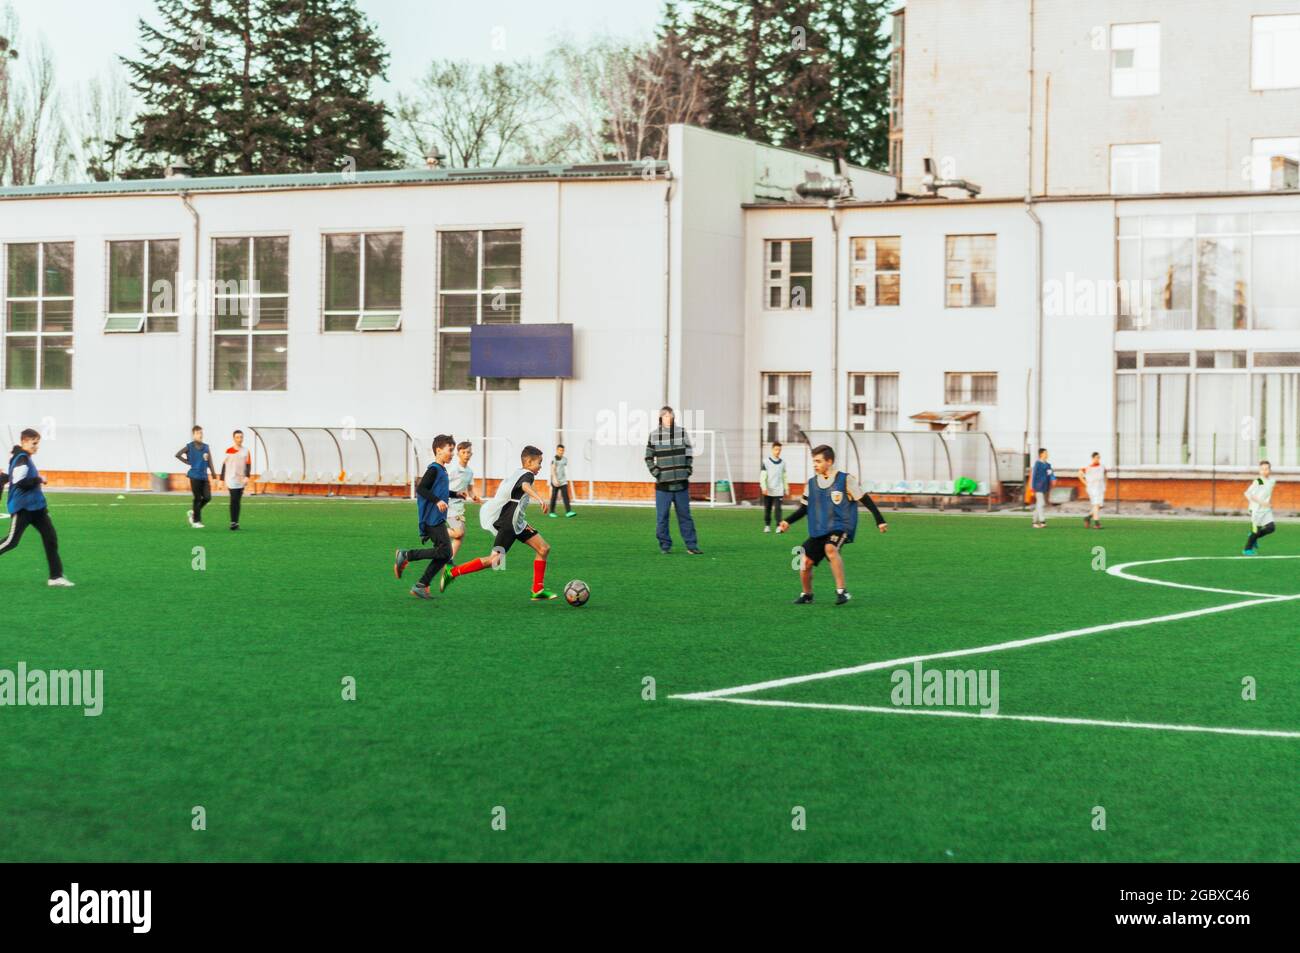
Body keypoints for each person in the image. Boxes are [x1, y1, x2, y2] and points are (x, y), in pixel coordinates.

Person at [440, 445, 557, 600]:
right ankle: (452, 573)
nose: (540, 467)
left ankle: (537, 589)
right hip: (510, 526)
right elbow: (525, 486)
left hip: (518, 524)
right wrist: (539, 498)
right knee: (494, 560)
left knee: (543, 548)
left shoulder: (518, 472)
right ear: (529, 462)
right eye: (539, 463)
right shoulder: (527, 475)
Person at [778, 444, 886, 605]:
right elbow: (804, 509)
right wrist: (787, 521)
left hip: (841, 526)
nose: (815, 464)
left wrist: (880, 520)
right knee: (805, 561)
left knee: (830, 548)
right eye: (813, 461)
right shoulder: (812, 483)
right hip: (819, 529)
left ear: (829, 461)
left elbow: (865, 499)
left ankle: (842, 591)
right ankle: (807, 594)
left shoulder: (845, 479)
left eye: (818, 461)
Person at [0, 428, 74, 587]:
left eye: (37, 443)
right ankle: (55, 576)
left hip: (38, 509)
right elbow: (20, 484)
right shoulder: (22, 459)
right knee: (11, 542)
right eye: (34, 443)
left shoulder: (21, 457)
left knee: (50, 538)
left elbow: (4, 477)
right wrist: (38, 479)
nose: (36, 446)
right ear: (24, 442)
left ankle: (55, 577)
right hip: (23, 509)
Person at [394, 435, 456, 599]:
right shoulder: (434, 469)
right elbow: (421, 489)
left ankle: (421, 585)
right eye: (450, 450)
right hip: (431, 519)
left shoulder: (442, 470)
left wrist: (457, 494)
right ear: (438, 450)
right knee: (445, 552)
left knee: (444, 554)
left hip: (437, 518)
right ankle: (406, 555)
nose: (452, 454)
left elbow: (439, 491)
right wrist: (437, 501)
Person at [645, 406, 701, 554]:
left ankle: (691, 546)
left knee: (685, 516)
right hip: (663, 485)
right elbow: (648, 457)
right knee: (662, 517)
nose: (668, 418)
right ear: (660, 418)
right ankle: (665, 546)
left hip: (682, 484)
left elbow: (689, 453)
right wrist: (657, 473)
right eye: (665, 416)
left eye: (670, 416)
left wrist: (687, 470)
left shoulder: (682, 432)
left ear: (673, 417)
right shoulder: (654, 435)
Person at [175, 425, 220, 528]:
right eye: (199, 433)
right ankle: (196, 522)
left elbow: (210, 461)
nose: (201, 435)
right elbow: (177, 454)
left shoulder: (206, 447)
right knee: (197, 498)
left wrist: (213, 474)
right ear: (194, 434)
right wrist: (188, 462)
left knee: (208, 497)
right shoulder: (189, 446)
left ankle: (194, 512)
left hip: (204, 476)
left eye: (201, 433)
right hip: (194, 476)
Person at [446, 440, 483, 559]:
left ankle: (449, 560)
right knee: (459, 533)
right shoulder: (451, 469)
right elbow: (442, 486)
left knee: (460, 536)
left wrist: (475, 497)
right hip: (448, 506)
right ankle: (433, 532)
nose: (466, 455)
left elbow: (470, 490)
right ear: (458, 453)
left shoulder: (469, 472)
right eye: (464, 452)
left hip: (459, 508)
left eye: (469, 452)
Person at [1243, 461, 1277, 556]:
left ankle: (1254, 536)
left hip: (1266, 510)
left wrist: (1268, 503)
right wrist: (1262, 502)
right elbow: (1248, 494)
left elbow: (1266, 493)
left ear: (1270, 470)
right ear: (1259, 471)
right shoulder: (1259, 481)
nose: (1264, 471)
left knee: (1271, 528)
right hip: (1256, 510)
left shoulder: (1272, 481)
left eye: (1266, 469)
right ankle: (1247, 549)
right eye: (1262, 469)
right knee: (1256, 531)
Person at [221, 429, 252, 531]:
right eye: (237, 437)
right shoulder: (229, 451)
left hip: (241, 480)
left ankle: (236, 522)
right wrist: (221, 480)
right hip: (231, 479)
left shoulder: (246, 451)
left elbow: (248, 465)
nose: (239, 439)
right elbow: (224, 465)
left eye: (241, 437)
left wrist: (247, 476)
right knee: (233, 499)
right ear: (234, 438)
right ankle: (233, 522)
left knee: (237, 501)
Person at [760, 441, 788, 533]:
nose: (778, 451)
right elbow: (762, 476)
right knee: (767, 508)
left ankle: (778, 526)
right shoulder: (766, 462)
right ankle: (767, 526)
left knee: (778, 509)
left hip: (779, 490)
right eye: (776, 449)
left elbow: (784, 476)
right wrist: (763, 487)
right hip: (768, 490)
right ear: (772, 450)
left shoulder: (783, 463)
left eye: (779, 450)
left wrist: (786, 488)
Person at [1078, 451, 1106, 529]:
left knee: (1100, 506)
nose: (1098, 459)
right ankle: (1097, 523)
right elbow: (1079, 474)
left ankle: (1087, 517)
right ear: (1093, 458)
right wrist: (1086, 483)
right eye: (1097, 457)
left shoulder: (1102, 466)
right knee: (1096, 504)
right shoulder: (1088, 467)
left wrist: (1105, 483)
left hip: (1100, 487)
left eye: (1099, 457)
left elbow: (1105, 474)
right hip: (1092, 488)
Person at [1030, 448, 1055, 529]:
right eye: (1045, 453)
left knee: (1039, 504)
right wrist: (1032, 488)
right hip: (1038, 486)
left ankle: (1034, 522)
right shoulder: (1037, 464)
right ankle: (1042, 521)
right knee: (1041, 503)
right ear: (1041, 454)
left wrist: (1053, 479)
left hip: (1045, 486)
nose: (1047, 454)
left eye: (1047, 453)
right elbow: (1033, 476)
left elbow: (1050, 474)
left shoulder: (1048, 465)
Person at [548, 444, 575, 518]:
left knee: (566, 496)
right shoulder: (554, 459)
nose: (561, 451)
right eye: (560, 450)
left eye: (562, 450)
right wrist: (554, 479)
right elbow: (552, 469)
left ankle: (568, 512)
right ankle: (552, 512)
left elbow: (564, 469)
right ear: (557, 450)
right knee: (554, 496)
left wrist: (566, 479)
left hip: (563, 481)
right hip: (555, 480)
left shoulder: (565, 459)